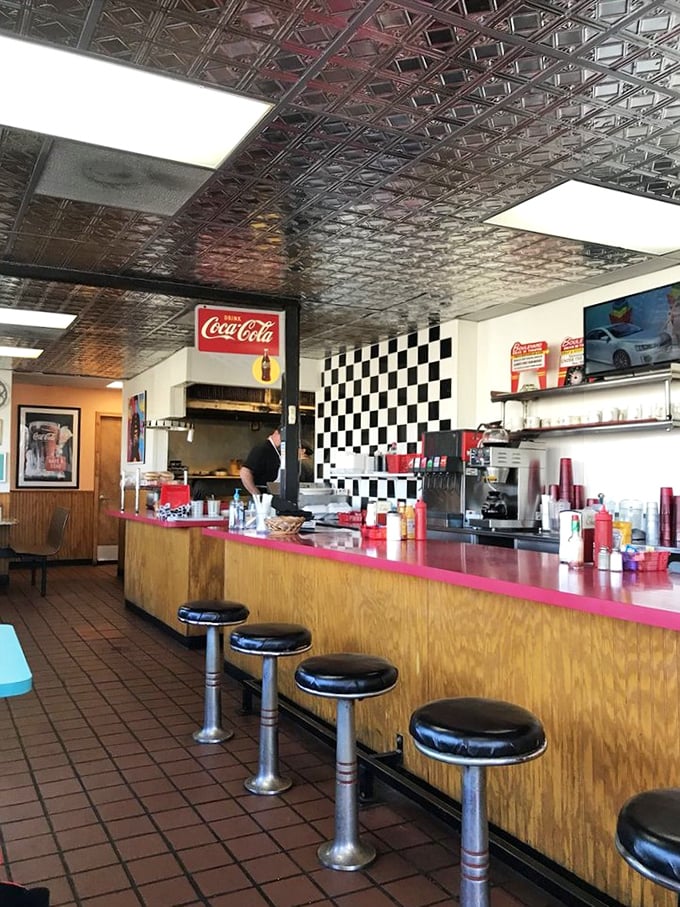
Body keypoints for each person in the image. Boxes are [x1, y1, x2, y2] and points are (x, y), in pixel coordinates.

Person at [239, 426, 282, 498]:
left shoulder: (276, 451)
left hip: (273, 495)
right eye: (283, 438)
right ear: (276, 433)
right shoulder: (262, 449)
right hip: (264, 496)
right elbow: (245, 472)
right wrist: (257, 495)